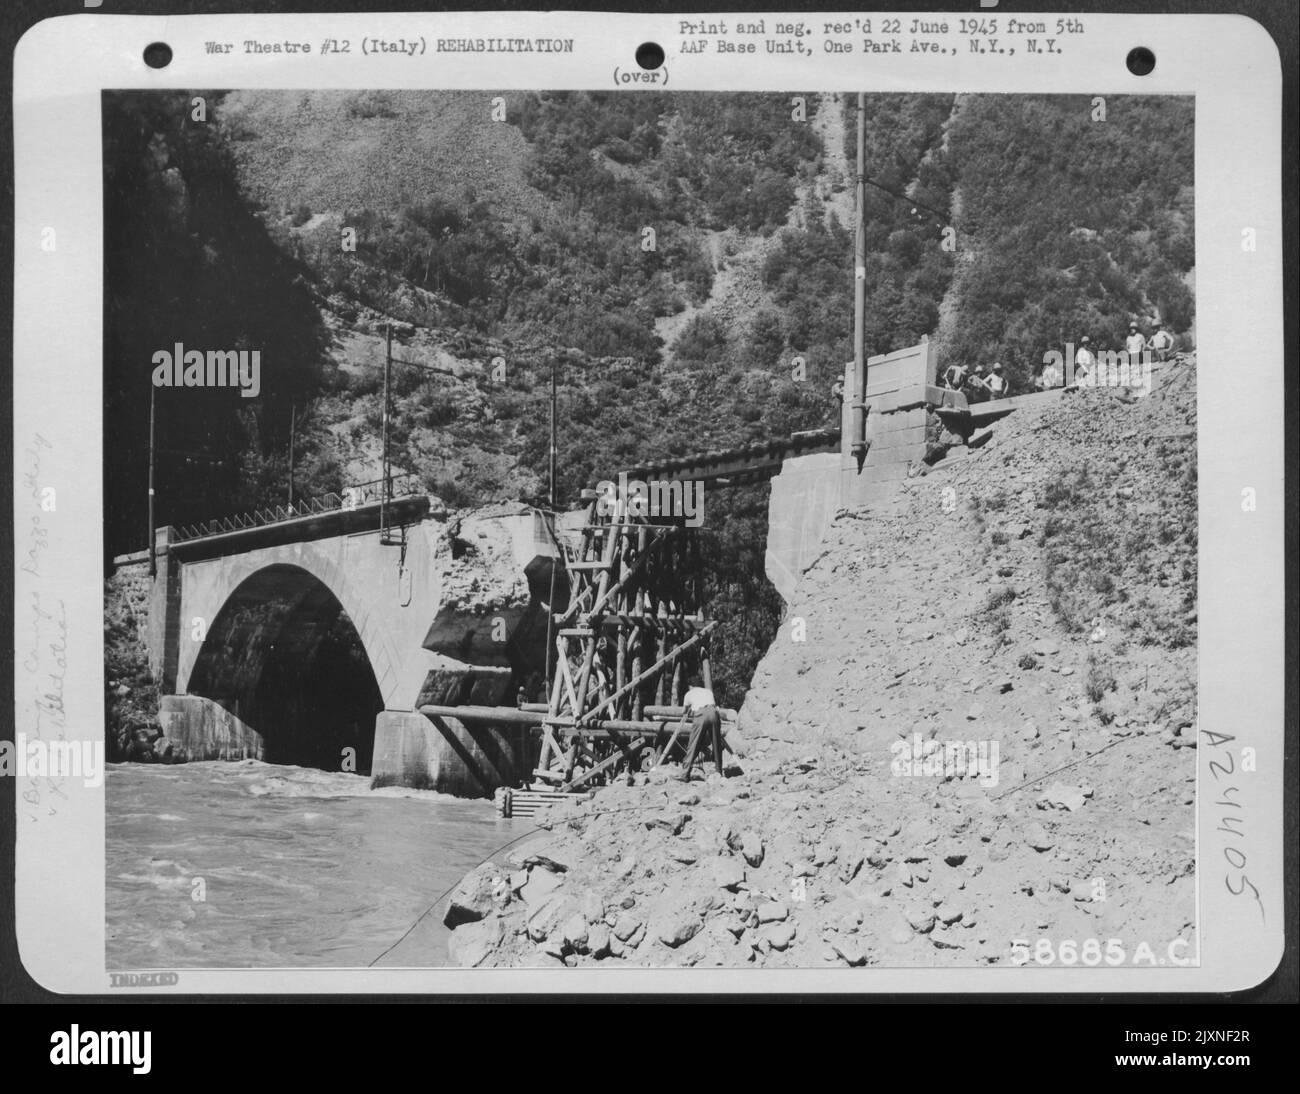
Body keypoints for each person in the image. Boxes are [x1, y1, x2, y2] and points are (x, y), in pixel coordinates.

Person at [678, 674, 723, 781]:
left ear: (691, 686)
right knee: (716, 743)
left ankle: (685, 774)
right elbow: (713, 704)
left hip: (700, 714)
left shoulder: (689, 694)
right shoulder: (708, 692)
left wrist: (689, 709)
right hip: (713, 713)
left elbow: (683, 711)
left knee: (693, 744)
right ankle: (719, 771)